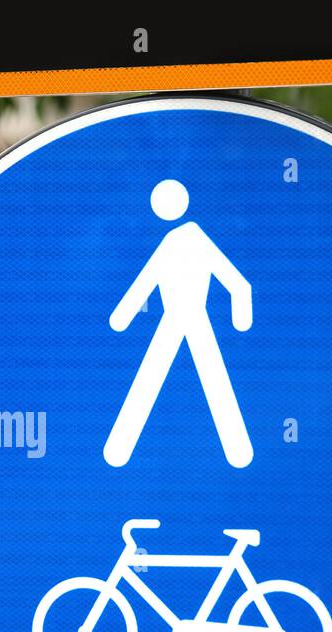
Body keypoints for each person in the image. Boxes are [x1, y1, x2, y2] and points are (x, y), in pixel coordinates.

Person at [104, 179, 254, 469]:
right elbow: (146, 281)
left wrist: (242, 318)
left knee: (198, 379)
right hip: (175, 318)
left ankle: (239, 454)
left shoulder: (189, 240)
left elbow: (236, 282)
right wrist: (122, 317)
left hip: (192, 316)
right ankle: (118, 452)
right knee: (161, 378)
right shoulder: (177, 241)